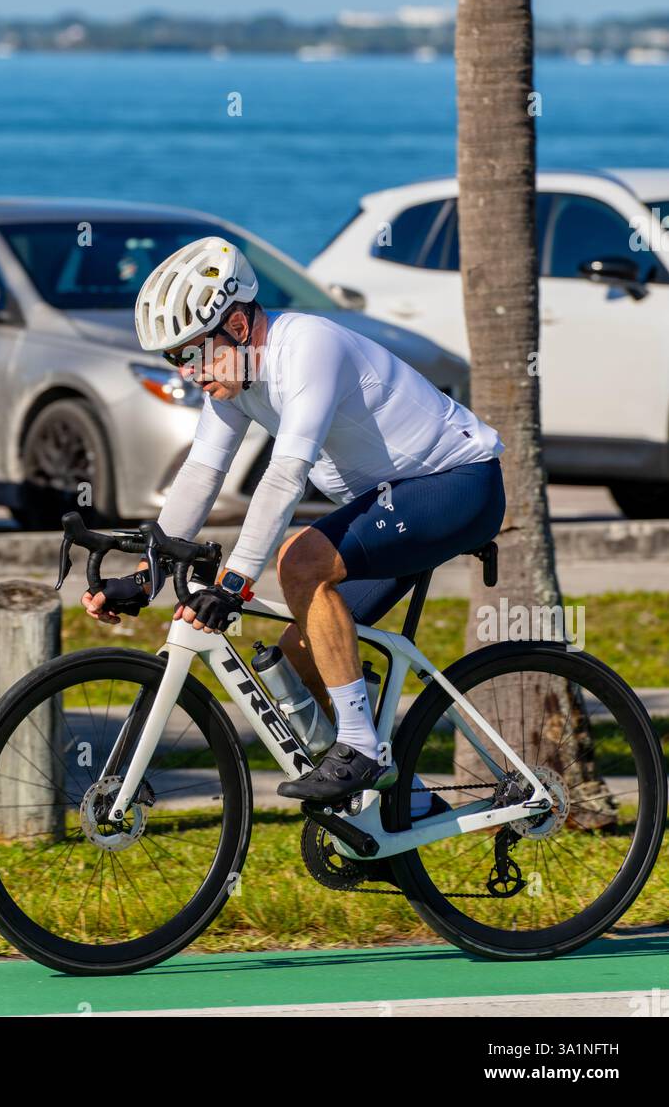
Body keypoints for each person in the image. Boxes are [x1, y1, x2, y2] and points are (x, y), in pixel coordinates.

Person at [84, 235, 506, 806]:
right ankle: (396, 812)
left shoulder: (306, 347)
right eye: (173, 359)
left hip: (456, 486)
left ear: (236, 325)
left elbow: (284, 478)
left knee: (301, 563)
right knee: (297, 663)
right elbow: (202, 472)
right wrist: (147, 572)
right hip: (390, 499)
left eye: (190, 352)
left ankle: (361, 749)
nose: (186, 372)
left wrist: (235, 582)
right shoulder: (232, 379)